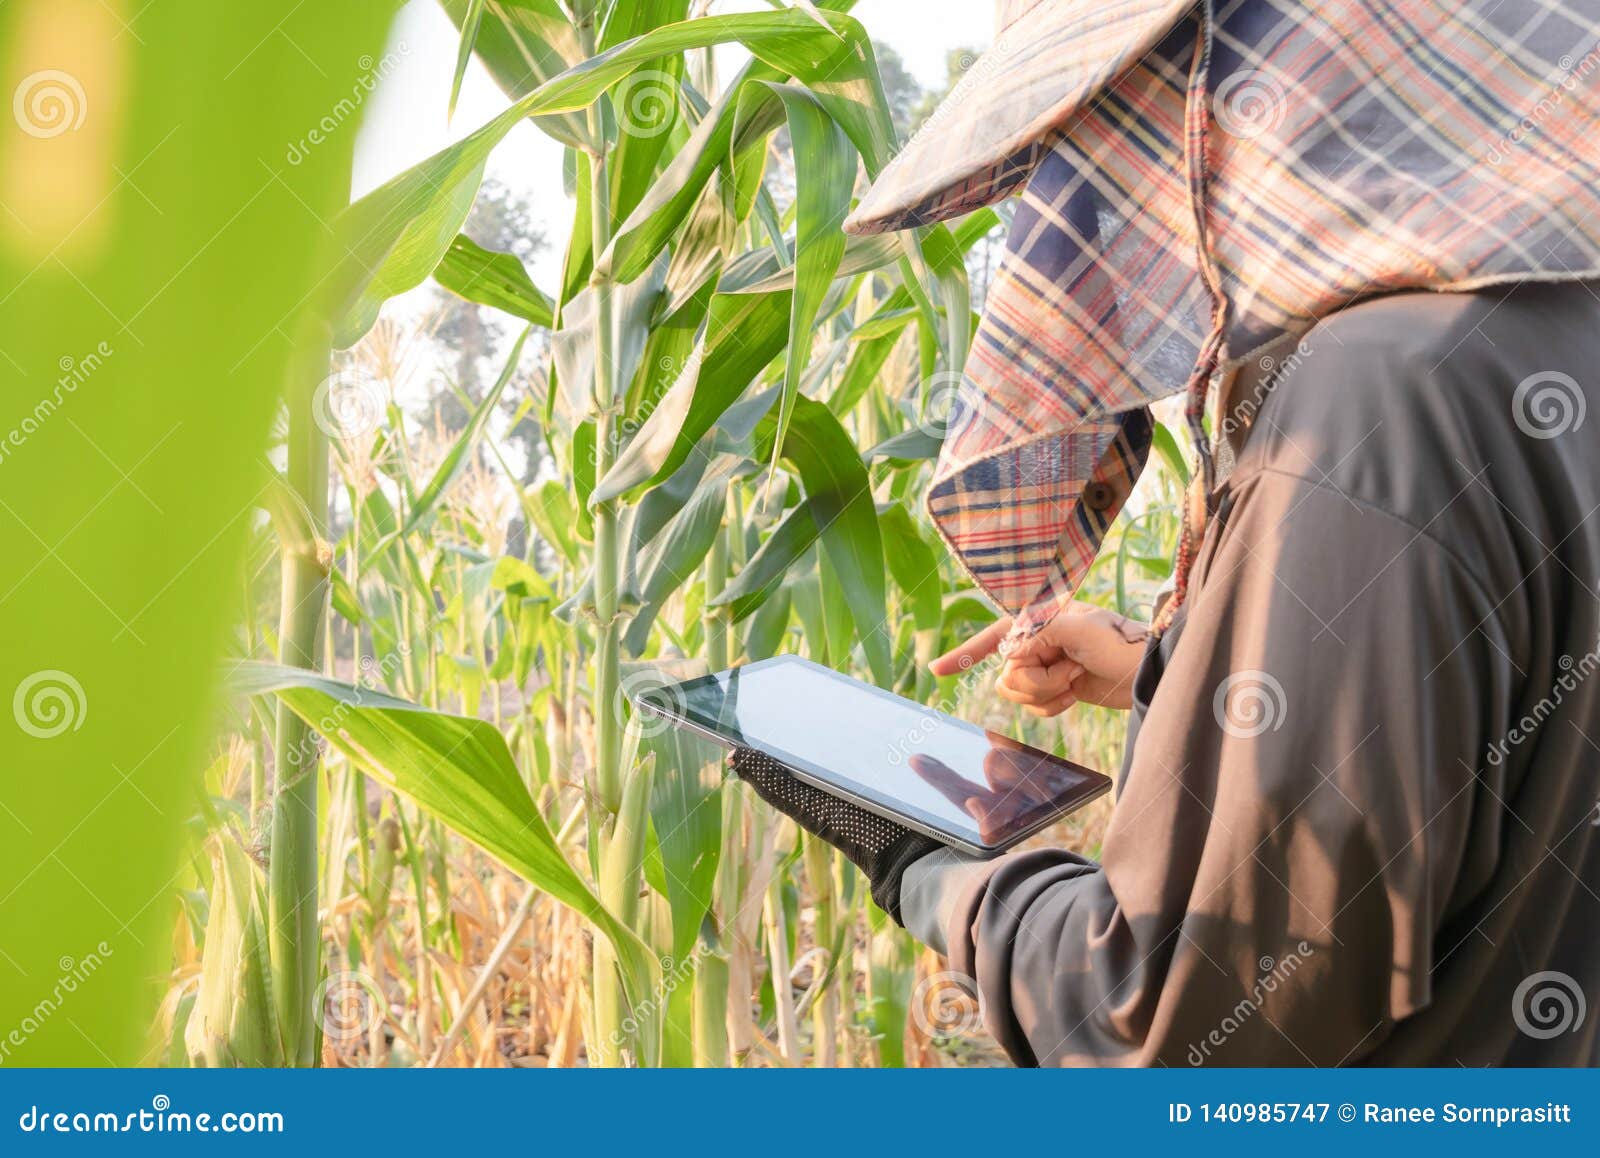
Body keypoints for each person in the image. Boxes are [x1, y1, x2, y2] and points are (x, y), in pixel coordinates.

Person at [733, 0, 1600, 1065]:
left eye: (1117, 138)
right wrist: (1178, 667)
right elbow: (1511, 701)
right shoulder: (1550, 345)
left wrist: (923, 858)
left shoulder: (1371, 404)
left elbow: (1186, 1028)